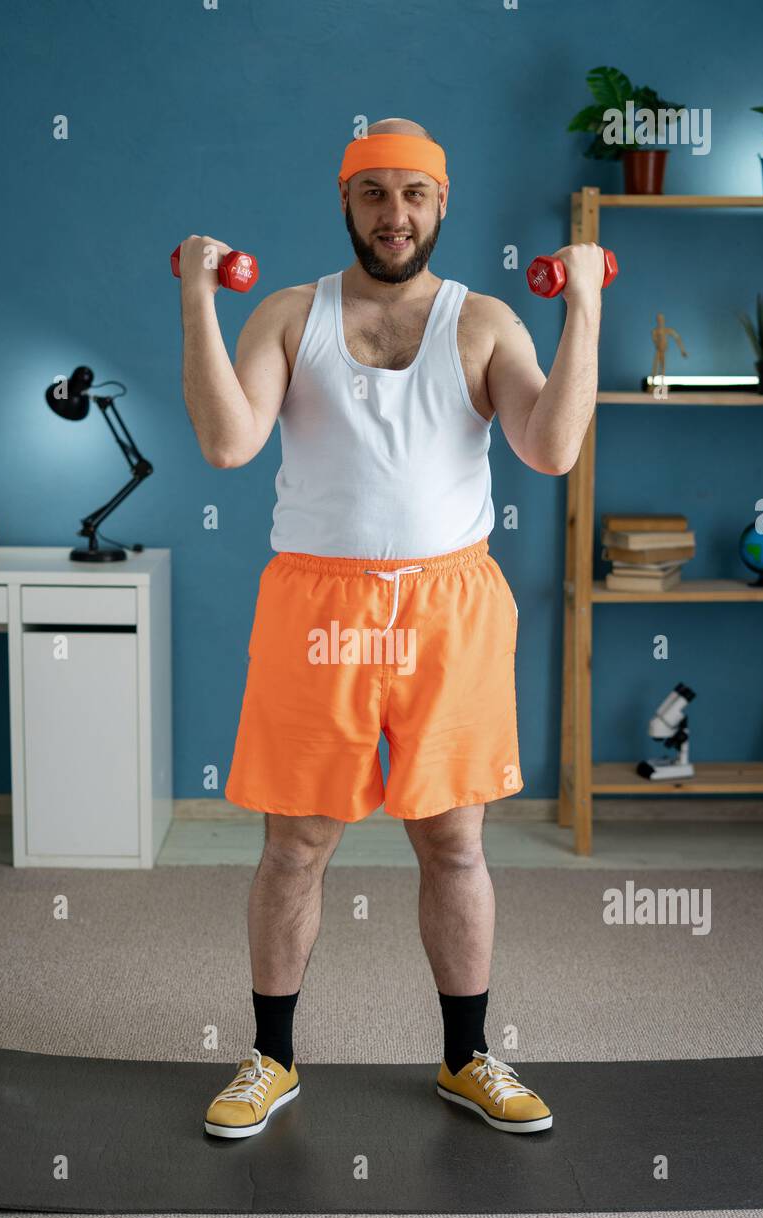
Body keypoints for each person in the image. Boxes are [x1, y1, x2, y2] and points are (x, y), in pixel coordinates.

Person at [178, 117, 604, 1140]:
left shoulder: (485, 321)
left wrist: (584, 303)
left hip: (447, 604)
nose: (394, 213)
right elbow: (229, 442)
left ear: (441, 203)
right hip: (315, 604)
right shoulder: (287, 313)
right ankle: (268, 1058)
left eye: (413, 194)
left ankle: (467, 1057)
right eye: (373, 194)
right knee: (295, 843)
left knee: (453, 841)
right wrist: (194, 292)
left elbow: (547, 449)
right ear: (345, 202)